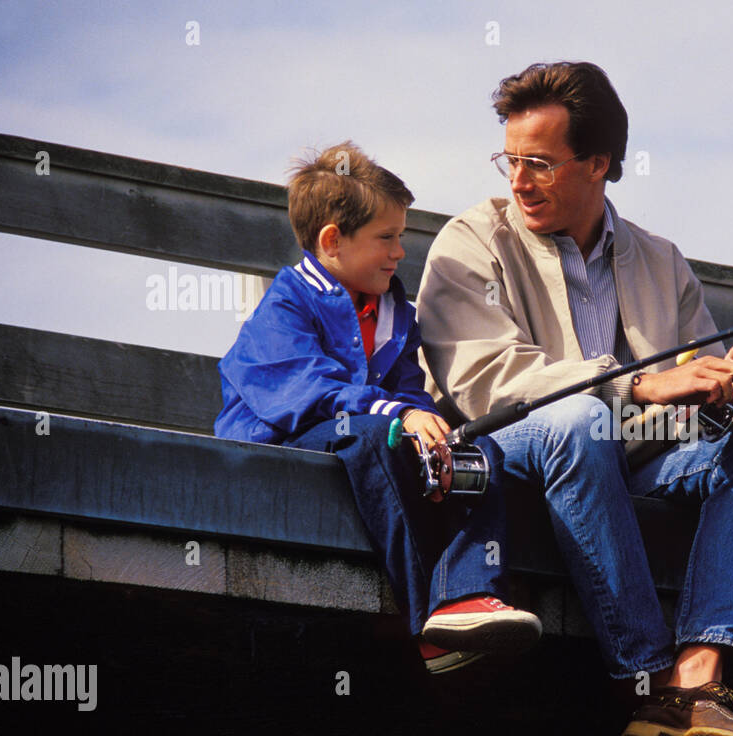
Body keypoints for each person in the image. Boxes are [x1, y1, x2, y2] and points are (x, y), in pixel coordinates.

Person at [417, 63, 733, 736]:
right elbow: (488, 383)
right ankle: (647, 679)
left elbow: (700, 389)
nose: (519, 180)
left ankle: (700, 675)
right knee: (576, 418)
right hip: (516, 448)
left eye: (540, 162)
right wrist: (639, 382)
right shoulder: (469, 242)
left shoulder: (662, 261)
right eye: (510, 160)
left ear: (598, 165)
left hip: (632, 459)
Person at [215, 142, 540, 675]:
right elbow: (307, 392)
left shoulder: (395, 311)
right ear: (332, 241)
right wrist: (396, 414)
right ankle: (428, 621)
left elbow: (409, 389)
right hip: (287, 442)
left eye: (402, 236)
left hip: (369, 434)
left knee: (476, 447)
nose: (399, 251)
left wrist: (426, 429)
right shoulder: (287, 303)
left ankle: (467, 592)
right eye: (386, 238)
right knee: (374, 436)